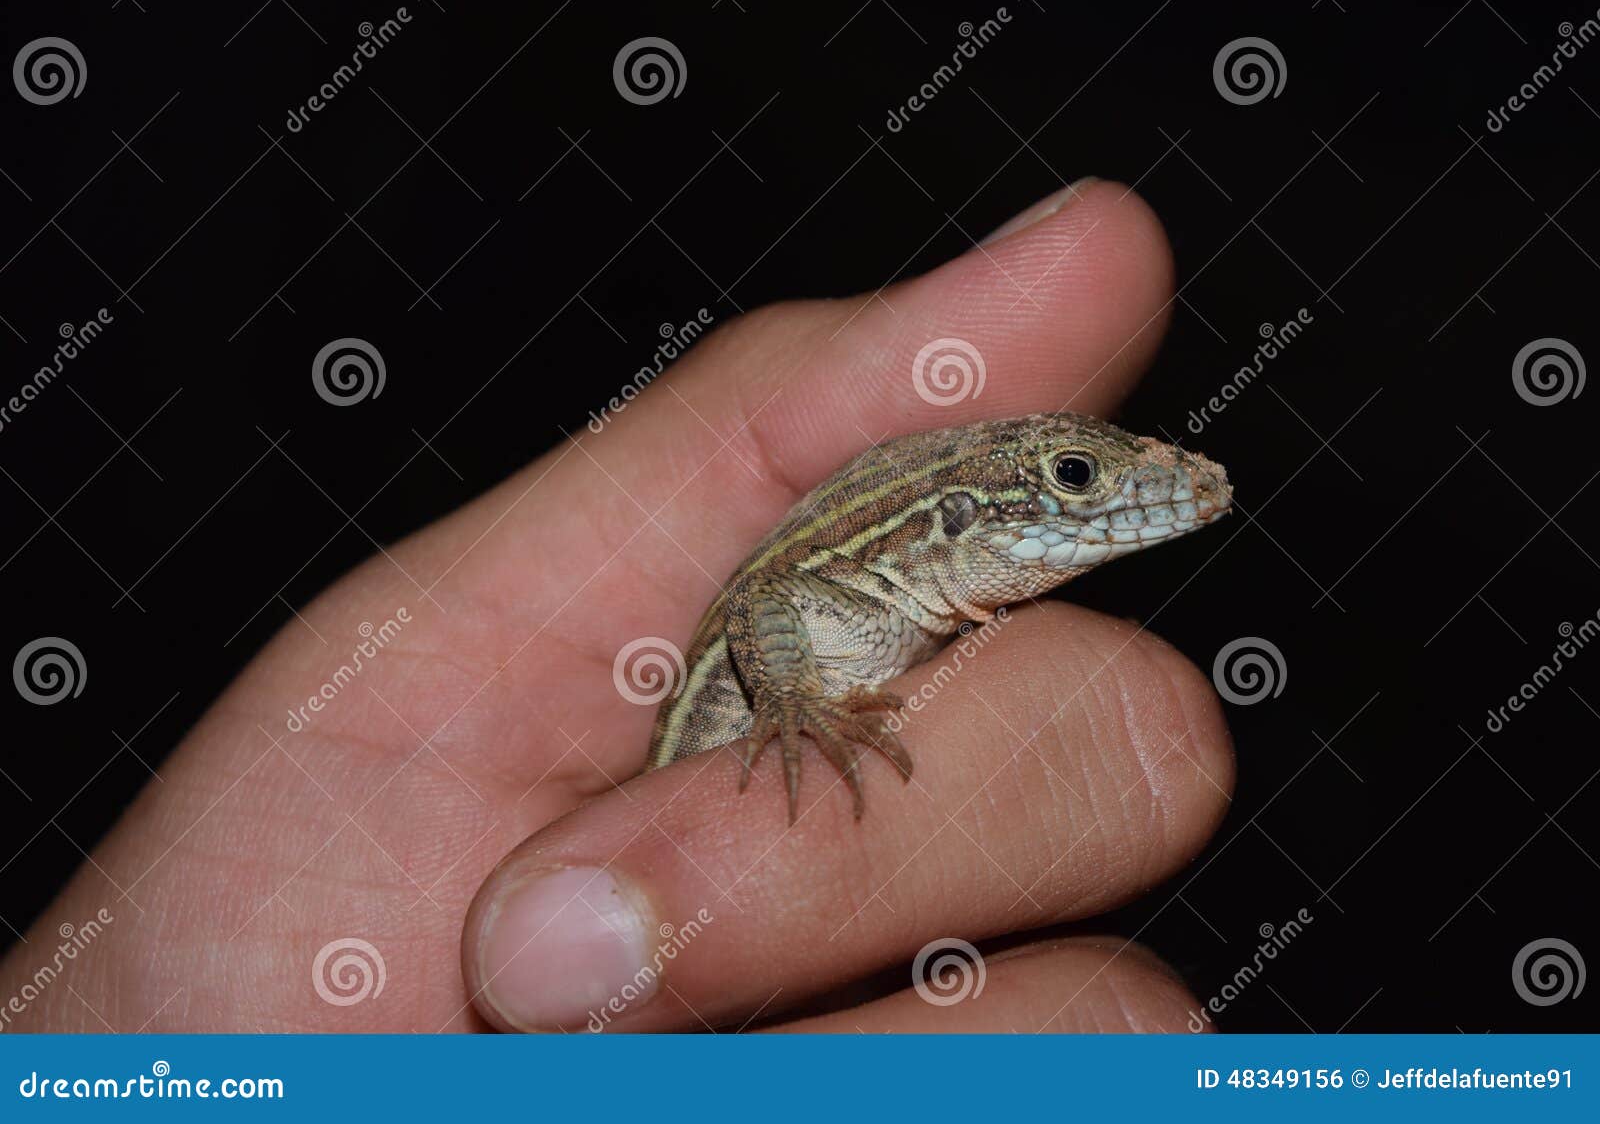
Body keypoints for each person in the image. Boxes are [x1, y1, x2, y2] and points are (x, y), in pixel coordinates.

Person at [1, 179, 1233, 1033]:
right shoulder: (830, 585)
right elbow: (774, 615)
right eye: (1075, 480)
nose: (1123, 490)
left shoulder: (912, 586)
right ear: (955, 520)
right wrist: (800, 699)